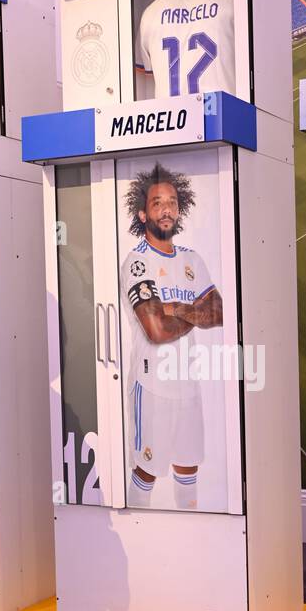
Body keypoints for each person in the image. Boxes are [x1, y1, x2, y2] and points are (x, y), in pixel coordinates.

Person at [120, 161, 222, 509]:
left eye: (172, 203)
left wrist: (175, 308)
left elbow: (219, 312)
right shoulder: (137, 263)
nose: (166, 209)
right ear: (143, 214)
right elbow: (157, 330)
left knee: (188, 465)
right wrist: (194, 310)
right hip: (152, 388)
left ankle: (189, 540)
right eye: (157, 203)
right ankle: (138, 537)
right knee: (147, 471)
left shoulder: (192, 259)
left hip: (187, 383)